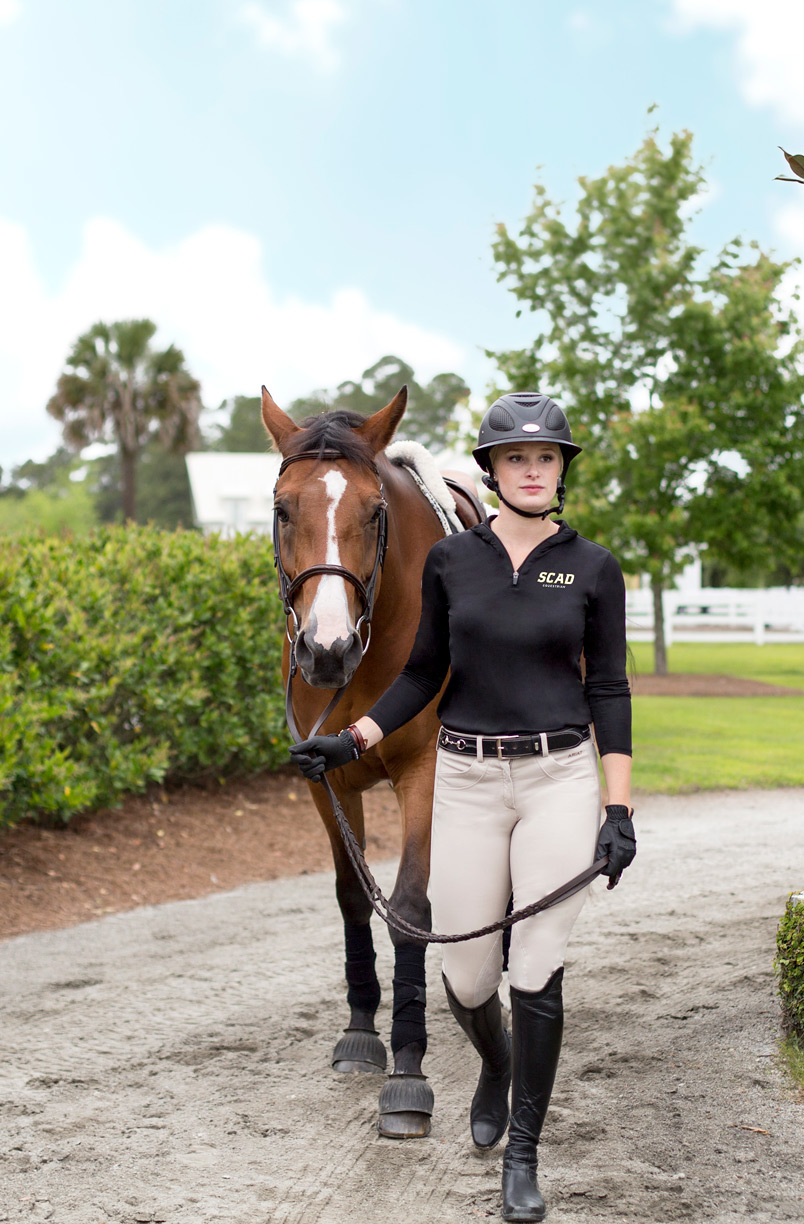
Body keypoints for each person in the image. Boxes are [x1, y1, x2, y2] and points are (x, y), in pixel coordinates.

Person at [290, 390, 636, 1223]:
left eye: (545, 458)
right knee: (470, 975)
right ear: (492, 470)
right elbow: (419, 673)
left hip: (557, 779)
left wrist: (617, 808)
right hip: (472, 779)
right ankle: (493, 1063)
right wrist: (355, 738)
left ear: (560, 472)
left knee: (537, 968)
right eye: (515, 459)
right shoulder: (451, 563)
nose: (530, 470)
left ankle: (524, 1155)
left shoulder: (593, 568)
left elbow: (611, 688)